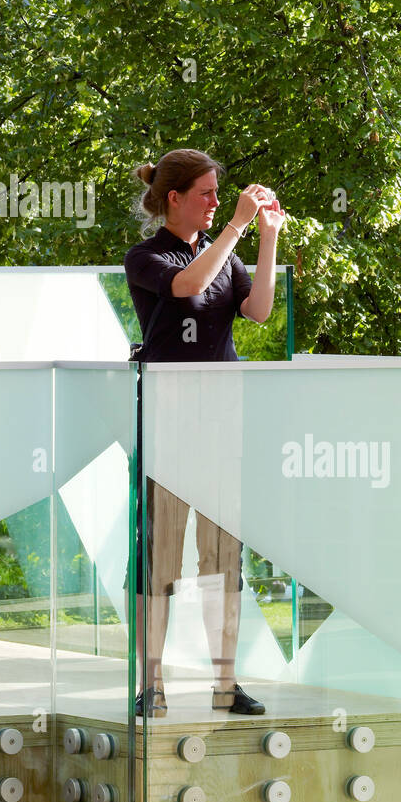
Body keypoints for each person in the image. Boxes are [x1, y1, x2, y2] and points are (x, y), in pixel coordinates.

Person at [124, 148, 285, 718]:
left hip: (221, 420)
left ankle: (226, 684)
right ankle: (152, 685)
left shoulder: (223, 252)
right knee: (160, 556)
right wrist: (237, 226)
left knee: (222, 557)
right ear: (174, 198)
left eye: (221, 195)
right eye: (207, 194)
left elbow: (259, 311)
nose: (217, 204)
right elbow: (188, 284)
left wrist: (265, 238)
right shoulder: (147, 256)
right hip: (169, 421)